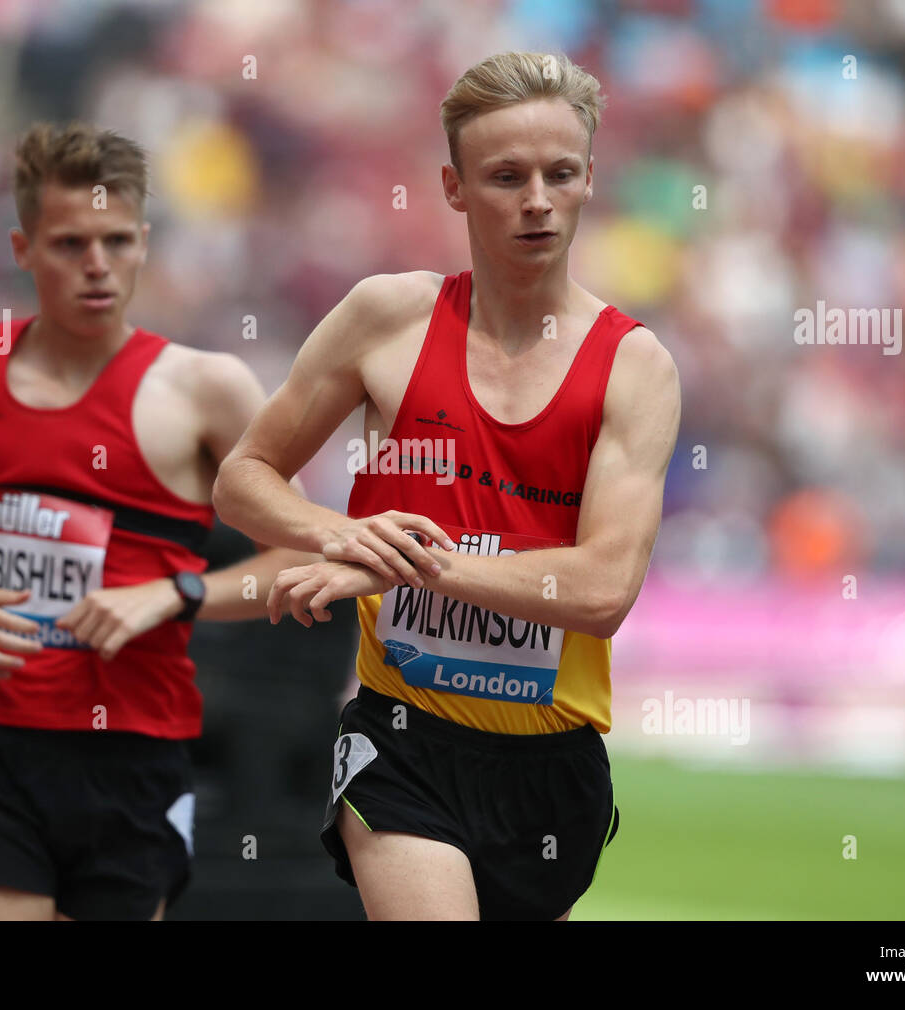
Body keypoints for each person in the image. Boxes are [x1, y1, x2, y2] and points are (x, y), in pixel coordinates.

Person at [213, 51, 681, 921]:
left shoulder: (634, 367)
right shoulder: (387, 319)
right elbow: (243, 478)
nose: (536, 200)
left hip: (553, 768)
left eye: (560, 174)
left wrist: (406, 563)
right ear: (454, 188)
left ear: (590, 180)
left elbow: (603, 591)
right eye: (506, 177)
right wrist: (340, 533)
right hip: (402, 742)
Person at [0, 122, 318, 921]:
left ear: (144, 243)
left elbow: (297, 560)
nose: (97, 265)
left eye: (117, 241)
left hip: (135, 755)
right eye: (69, 244)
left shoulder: (208, 390)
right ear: (22, 249)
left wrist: (176, 593)